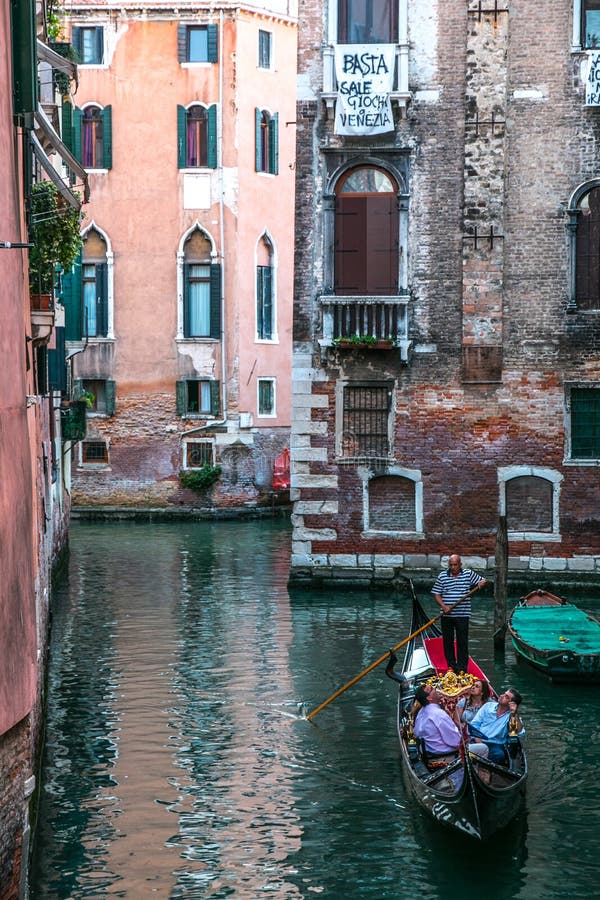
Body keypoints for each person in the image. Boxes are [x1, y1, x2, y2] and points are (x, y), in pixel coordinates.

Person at [432, 554, 487, 674]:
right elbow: (436, 594)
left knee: (462, 641)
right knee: (448, 641)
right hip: (446, 615)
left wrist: (481, 583)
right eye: (450, 565)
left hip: (463, 614)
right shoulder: (442, 576)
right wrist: (443, 606)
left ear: (460, 564)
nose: (452, 567)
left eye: (455, 565)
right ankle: (451, 666)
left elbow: (482, 580)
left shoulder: (468, 574)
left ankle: (462, 668)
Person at [468, 687, 525, 764]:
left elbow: (518, 734)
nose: (501, 695)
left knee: (499, 754)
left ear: (511, 704)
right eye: (504, 694)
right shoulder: (488, 706)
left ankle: (486, 769)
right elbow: (474, 725)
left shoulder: (512, 716)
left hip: (494, 745)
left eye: (506, 697)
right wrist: (479, 741)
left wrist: (514, 713)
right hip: (477, 739)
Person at [412, 684, 462, 761]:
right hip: (446, 756)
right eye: (432, 688)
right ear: (429, 698)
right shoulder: (438, 714)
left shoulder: (421, 712)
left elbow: (416, 732)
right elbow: (456, 742)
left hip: (429, 753)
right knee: (483, 748)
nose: (436, 689)